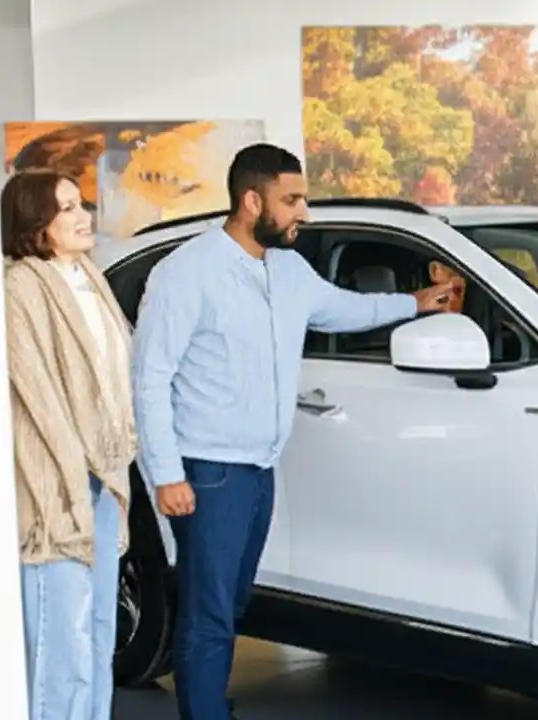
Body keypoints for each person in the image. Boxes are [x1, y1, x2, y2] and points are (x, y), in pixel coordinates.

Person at [131, 143, 453, 720]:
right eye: (293, 199)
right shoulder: (186, 273)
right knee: (208, 614)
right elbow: (150, 379)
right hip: (207, 471)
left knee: (229, 603)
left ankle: (207, 698)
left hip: (259, 469)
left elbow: (344, 309)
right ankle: (205, 712)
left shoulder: (288, 268)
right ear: (252, 201)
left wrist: (415, 302)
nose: (304, 211)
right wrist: (166, 475)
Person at [1, 168, 137, 720]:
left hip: (104, 477)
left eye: (81, 204)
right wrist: (72, 473)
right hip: (57, 484)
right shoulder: (20, 287)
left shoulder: (88, 275)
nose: (84, 217)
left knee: (99, 633)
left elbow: (115, 373)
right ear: (35, 222)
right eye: (66, 208)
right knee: (63, 647)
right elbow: (36, 393)